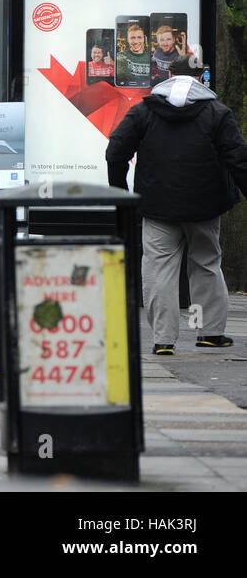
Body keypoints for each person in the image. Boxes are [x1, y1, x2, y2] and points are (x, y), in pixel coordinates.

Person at [106, 55, 247, 354]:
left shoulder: (144, 110)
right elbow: (239, 160)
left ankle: (164, 340)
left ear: (169, 75)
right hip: (205, 207)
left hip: (157, 207)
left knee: (159, 270)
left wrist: (120, 191)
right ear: (201, 78)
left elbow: (115, 150)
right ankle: (209, 332)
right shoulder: (217, 113)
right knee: (206, 264)